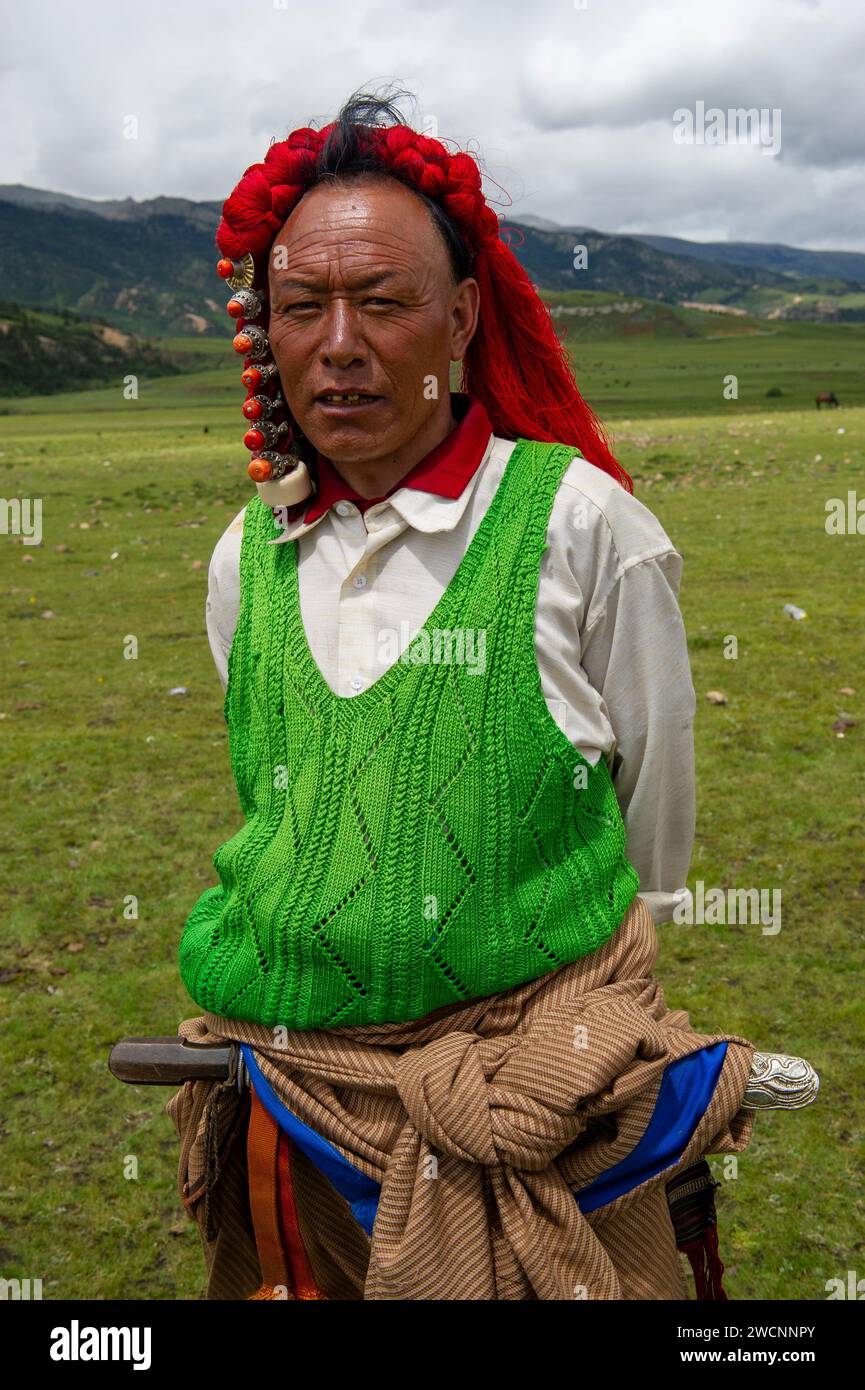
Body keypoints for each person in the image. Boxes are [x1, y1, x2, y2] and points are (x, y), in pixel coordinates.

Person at [166, 90, 757, 1301]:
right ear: (262, 332)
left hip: (550, 1107)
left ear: (460, 318)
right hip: (298, 1108)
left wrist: (580, 998)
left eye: (382, 302)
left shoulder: (584, 530)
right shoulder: (246, 557)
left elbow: (652, 822)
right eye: (299, 307)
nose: (339, 343)